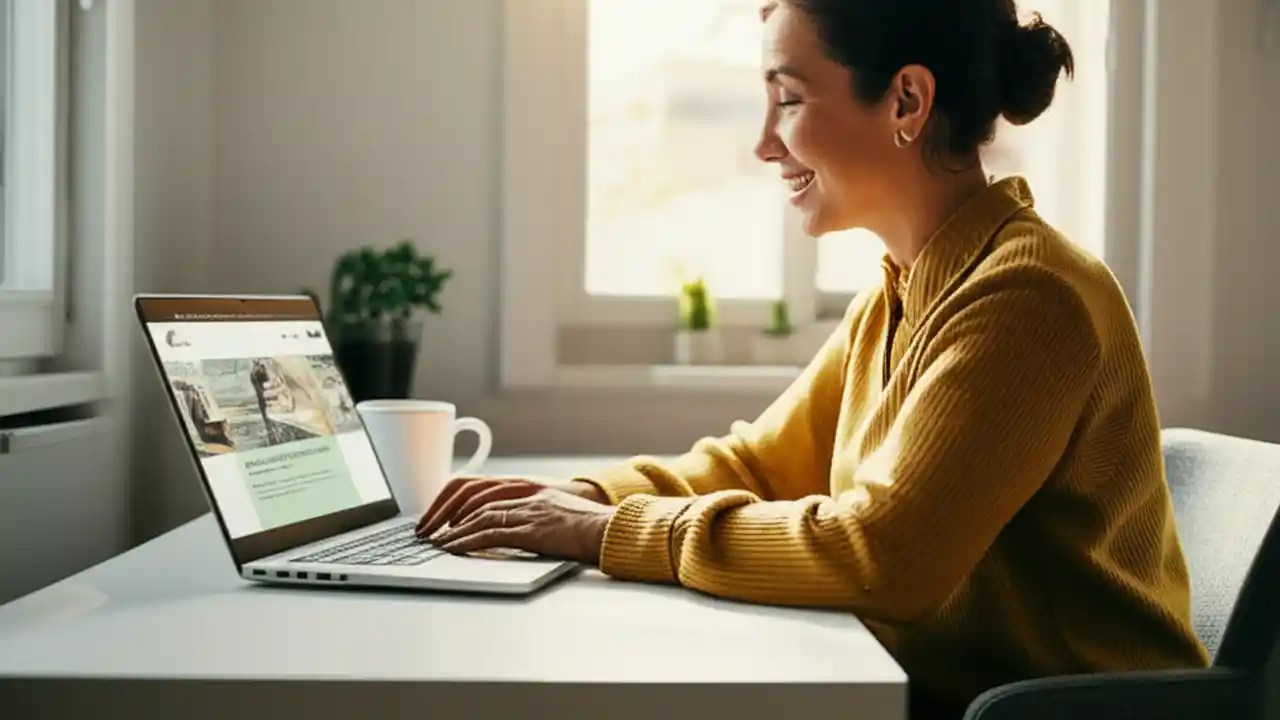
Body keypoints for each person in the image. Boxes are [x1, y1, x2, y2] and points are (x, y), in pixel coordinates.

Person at [416, 0, 1210, 716]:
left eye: (788, 100)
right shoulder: (905, 295)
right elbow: (761, 466)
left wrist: (603, 532)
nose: (764, 144)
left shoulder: (1029, 299)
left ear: (907, 100)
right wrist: (565, 498)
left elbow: (882, 556)